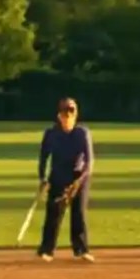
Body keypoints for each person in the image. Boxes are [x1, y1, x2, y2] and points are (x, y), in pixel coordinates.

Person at [36, 97, 95, 262]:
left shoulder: (82, 133)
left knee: (79, 214)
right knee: (53, 215)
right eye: (65, 112)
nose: (68, 115)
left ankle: (81, 249)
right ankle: (46, 250)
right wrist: (43, 178)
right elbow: (43, 158)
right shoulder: (51, 134)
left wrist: (79, 181)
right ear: (59, 115)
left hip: (79, 178)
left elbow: (89, 162)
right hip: (58, 177)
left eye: (71, 112)